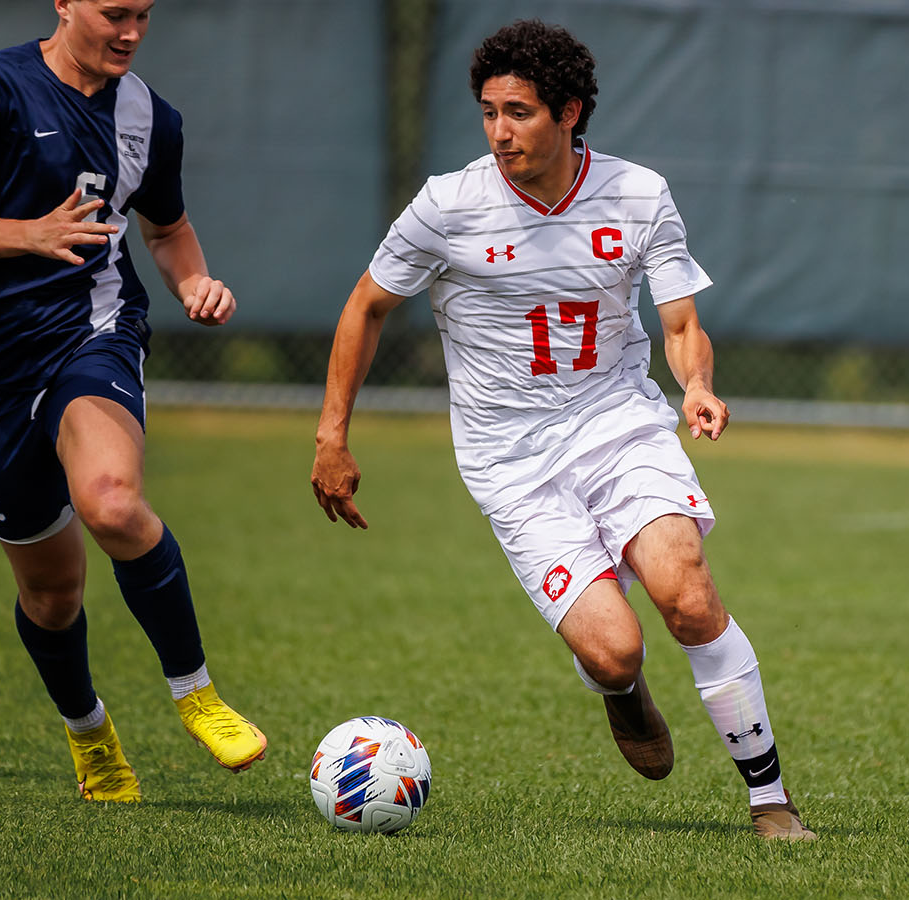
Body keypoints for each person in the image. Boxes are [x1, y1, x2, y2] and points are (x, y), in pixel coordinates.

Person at [312, 19, 816, 841]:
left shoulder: (640, 194)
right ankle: (623, 692)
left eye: (519, 112)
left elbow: (682, 323)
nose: (500, 132)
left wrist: (697, 387)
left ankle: (770, 800)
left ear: (570, 112)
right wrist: (332, 437)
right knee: (615, 650)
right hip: (509, 458)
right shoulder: (447, 206)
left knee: (687, 595)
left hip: (619, 421)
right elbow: (366, 308)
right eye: (488, 112)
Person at [0, 0, 265, 802]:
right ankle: (90, 734)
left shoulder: (149, 115)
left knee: (110, 503)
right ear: (65, 4)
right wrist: (27, 234)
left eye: (143, 15)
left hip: (92, 334)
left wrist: (195, 282)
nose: (131, 32)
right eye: (114, 13)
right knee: (51, 590)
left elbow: (167, 229)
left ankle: (197, 693)